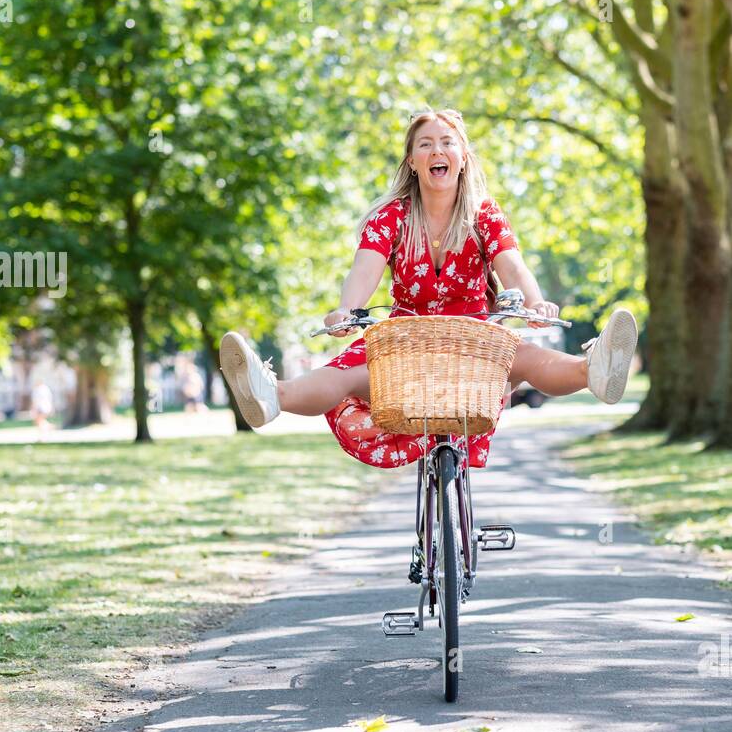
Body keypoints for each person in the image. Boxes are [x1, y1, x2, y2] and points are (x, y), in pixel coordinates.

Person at [219, 108, 637, 469]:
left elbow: (512, 265)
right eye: (425, 144)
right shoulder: (392, 217)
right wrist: (347, 310)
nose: (437, 150)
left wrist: (533, 300)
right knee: (344, 376)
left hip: (474, 338)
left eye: (447, 143)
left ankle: (594, 371)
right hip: (407, 340)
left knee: (526, 357)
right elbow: (364, 271)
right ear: (412, 161)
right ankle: (271, 395)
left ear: (462, 158)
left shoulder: (482, 214)